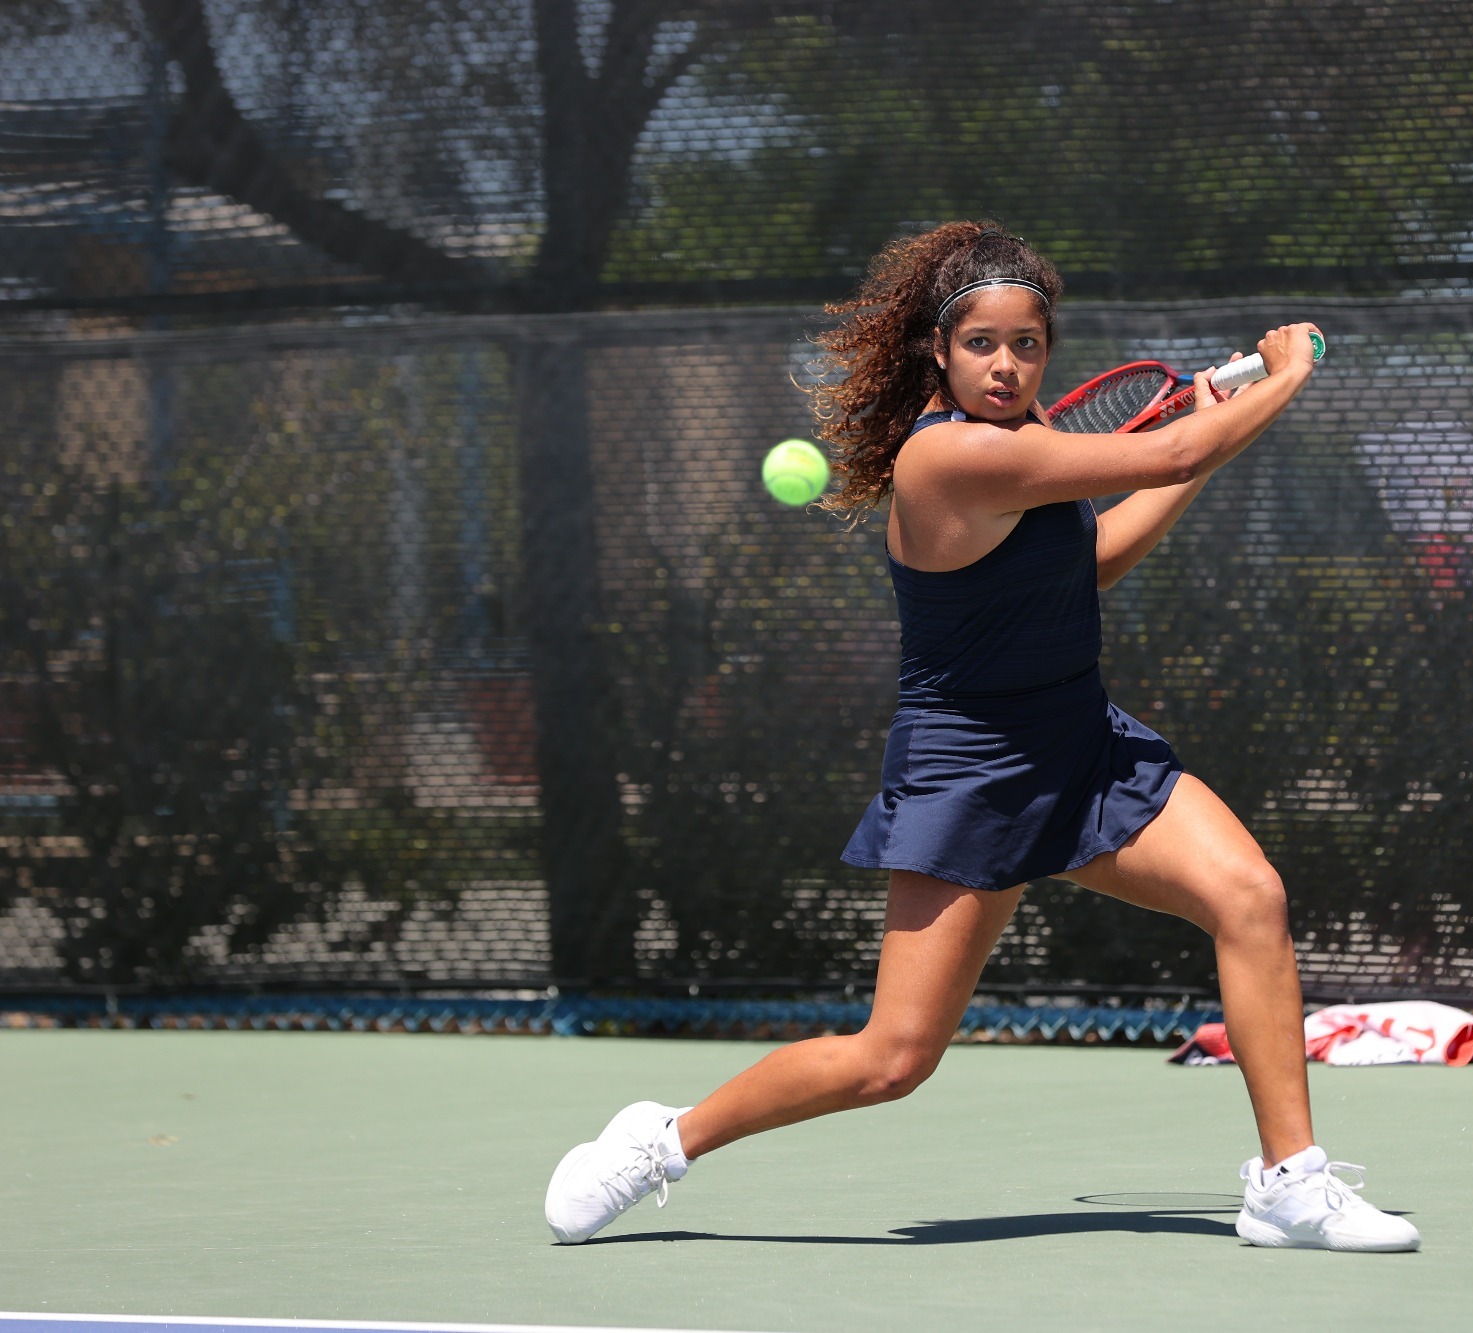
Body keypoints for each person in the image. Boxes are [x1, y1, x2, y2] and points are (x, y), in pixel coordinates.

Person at [543, 222, 1419, 1254]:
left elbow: (1093, 560)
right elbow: (1173, 443)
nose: (1006, 366)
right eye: (982, 345)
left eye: (1027, 345)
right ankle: (661, 1141)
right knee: (893, 1059)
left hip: (1080, 743)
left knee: (1249, 895)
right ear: (938, 351)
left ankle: (1289, 1184)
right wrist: (1282, 375)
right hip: (968, 772)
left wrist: (1205, 445)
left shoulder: (1024, 438)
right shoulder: (948, 456)